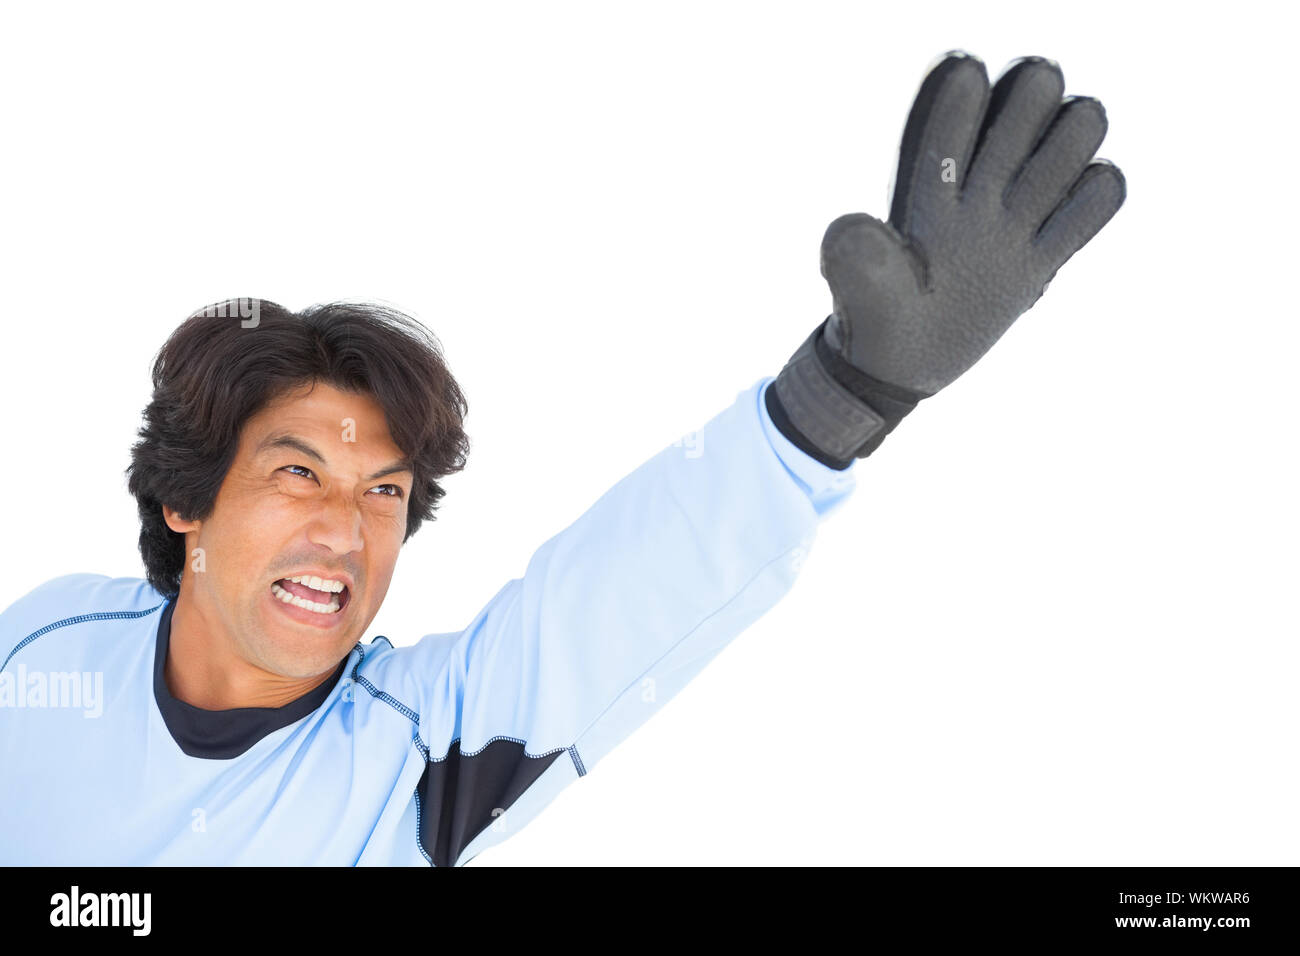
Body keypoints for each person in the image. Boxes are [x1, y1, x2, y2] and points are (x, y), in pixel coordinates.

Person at [0, 50, 1125, 865]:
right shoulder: (40, 647)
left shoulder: (420, 747)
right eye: (299, 473)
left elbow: (617, 594)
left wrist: (847, 393)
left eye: (383, 491)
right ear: (185, 501)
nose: (347, 531)